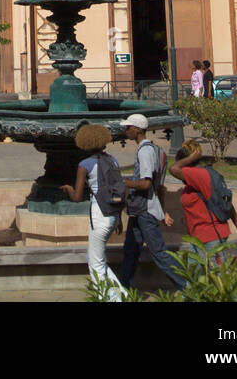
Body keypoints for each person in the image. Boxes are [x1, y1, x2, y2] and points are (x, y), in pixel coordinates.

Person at [117, 114, 186, 292]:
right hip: (139, 209)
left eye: (129, 127)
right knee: (130, 250)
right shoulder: (153, 149)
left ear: (138, 129)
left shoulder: (145, 151)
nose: (126, 130)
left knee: (159, 254)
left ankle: (188, 287)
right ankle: (123, 290)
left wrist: (123, 182)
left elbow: (146, 183)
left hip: (144, 209)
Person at [61, 123, 128, 300]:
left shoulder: (85, 165)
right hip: (113, 214)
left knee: (95, 263)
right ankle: (121, 296)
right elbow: (118, 189)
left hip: (99, 216)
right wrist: (119, 219)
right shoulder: (112, 160)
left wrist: (68, 188)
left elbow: (76, 197)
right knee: (97, 259)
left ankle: (109, 298)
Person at [170, 142, 237, 263]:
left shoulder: (198, 174)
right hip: (199, 239)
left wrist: (192, 157)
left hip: (210, 238)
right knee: (196, 279)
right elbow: (223, 199)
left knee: (215, 278)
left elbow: (173, 169)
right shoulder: (201, 176)